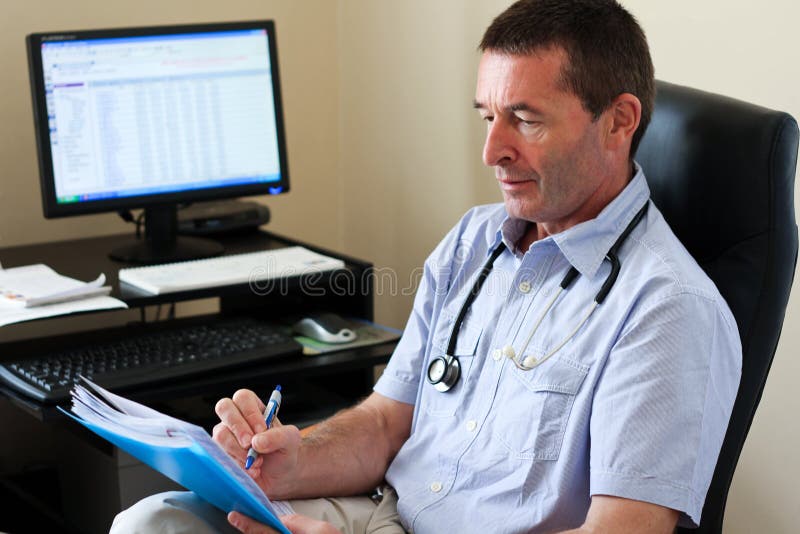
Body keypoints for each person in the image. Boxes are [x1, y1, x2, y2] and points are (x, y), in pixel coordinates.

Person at [111, 1, 742, 532]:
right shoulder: (474, 240)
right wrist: (292, 461)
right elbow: (388, 422)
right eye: (488, 116)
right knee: (153, 523)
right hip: (385, 510)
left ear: (619, 121)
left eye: (525, 119)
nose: (493, 150)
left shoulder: (667, 307)